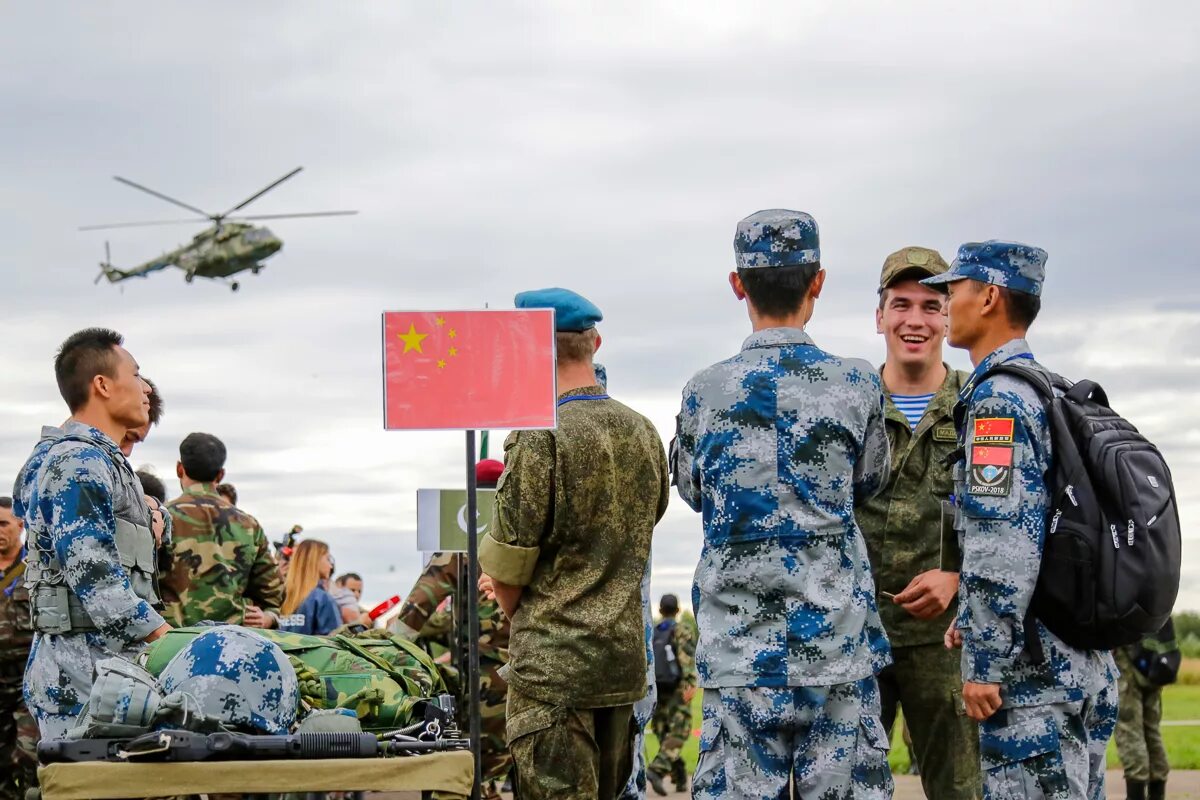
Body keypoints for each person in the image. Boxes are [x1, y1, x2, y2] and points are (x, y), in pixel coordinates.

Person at [673, 210, 893, 799]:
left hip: (740, 649)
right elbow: (869, 481)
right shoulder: (857, 383)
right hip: (836, 646)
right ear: (817, 281)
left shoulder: (704, 390)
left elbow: (693, 491)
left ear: (738, 284)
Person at [922, 241, 1118, 798]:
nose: (942, 306)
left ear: (988, 297)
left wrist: (983, 661)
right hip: (1081, 663)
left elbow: (1000, 540)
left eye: (951, 291)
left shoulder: (998, 403)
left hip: (1032, 683)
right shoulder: (1049, 389)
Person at [479, 288, 670, 800]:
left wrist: (527, 619)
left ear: (530, 350)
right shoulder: (643, 432)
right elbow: (646, 525)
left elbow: (509, 564)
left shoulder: (539, 436)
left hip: (553, 673)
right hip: (621, 664)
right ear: (595, 343)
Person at [855, 246, 981, 798]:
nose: (915, 320)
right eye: (900, 304)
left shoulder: (981, 405)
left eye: (931, 306)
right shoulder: (848, 405)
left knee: (961, 789)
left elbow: (1016, 524)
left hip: (947, 643)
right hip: (855, 639)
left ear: (949, 316)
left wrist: (959, 576)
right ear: (879, 316)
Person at [20, 327, 171, 739]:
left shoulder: (101, 458)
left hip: (109, 669)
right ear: (102, 385)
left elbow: (129, 531)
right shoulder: (78, 460)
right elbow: (96, 576)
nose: (144, 389)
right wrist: (169, 643)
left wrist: (157, 514)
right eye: (136, 375)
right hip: (85, 674)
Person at [393, 459, 512, 800]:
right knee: (501, 761)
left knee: (465, 763)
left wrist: (393, 646)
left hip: (477, 671)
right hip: (523, 667)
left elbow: (423, 598)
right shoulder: (525, 530)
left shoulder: (461, 539)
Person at [160, 432, 283, 629]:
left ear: (179, 468)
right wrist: (270, 616)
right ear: (220, 475)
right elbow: (272, 591)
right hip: (231, 643)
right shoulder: (248, 525)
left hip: (171, 641)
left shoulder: (161, 517)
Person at [1114, 619, 1175, 800]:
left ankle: (1136, 794)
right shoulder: (1154, 591)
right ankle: (1157, 792)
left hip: (1127, 659)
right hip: (1152, 660)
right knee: (1152, 731)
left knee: (1129, 732)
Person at [0, 498, 37, 800]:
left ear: (20, 525)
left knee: (28, 759)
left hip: (28, 683)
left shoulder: (37, 570)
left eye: (3, 524)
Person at [646, 593, 696, 796]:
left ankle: (679, 774)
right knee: (679, 731)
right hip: (676, 689)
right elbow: (686, 658)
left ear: (659, 610)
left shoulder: (653, 631)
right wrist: (690, 683)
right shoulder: (681, 629)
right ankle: (657, 769)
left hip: (658, 689)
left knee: (662, 731)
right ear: (677, 610)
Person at [278, 539, 342, 635]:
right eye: (328, 558)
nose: (331, 566)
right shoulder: (322, 599)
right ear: (315, 560)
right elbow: (335, 642)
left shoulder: (277, 595)